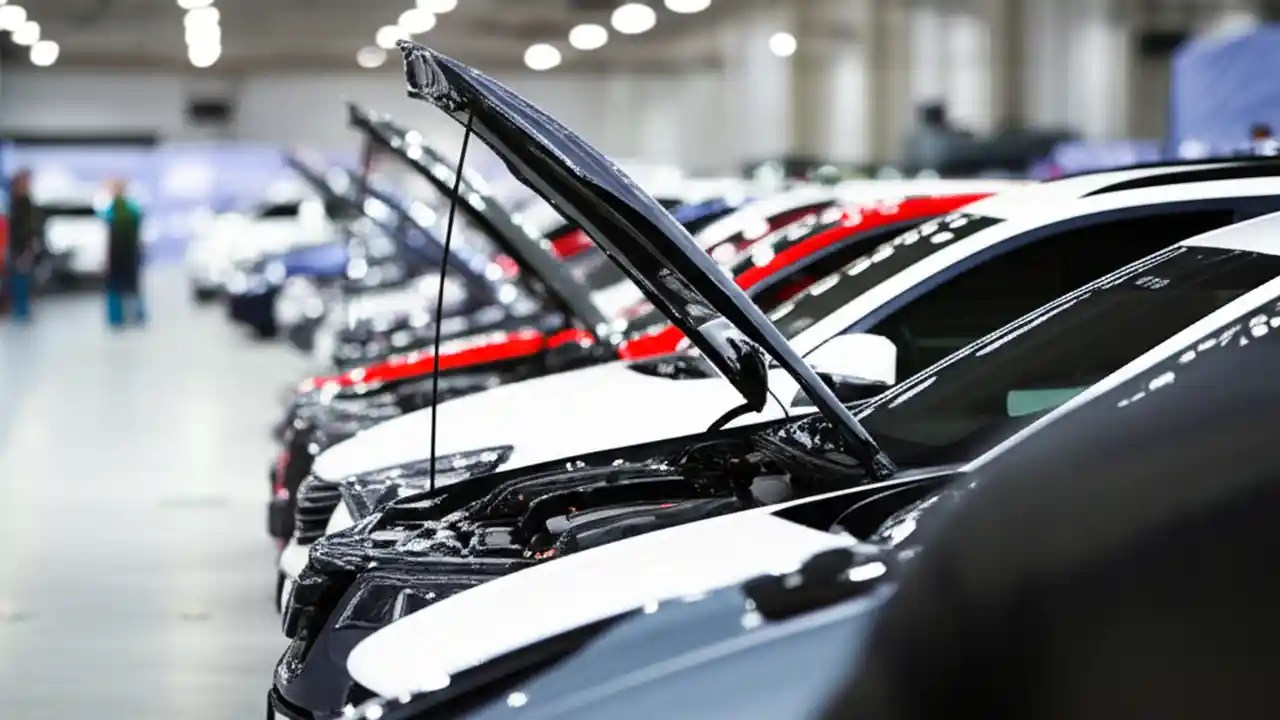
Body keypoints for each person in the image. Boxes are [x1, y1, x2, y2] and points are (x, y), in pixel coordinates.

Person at [103, 179, 145, 328]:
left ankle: (117, 319)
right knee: (132, 288)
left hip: (116, 255)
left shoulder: (110, 210)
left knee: (116, 288)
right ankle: (137, 317)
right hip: (130, 255)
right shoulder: (132, 209)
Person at [5, 169, 41, 322]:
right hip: (15, 244)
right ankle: (19, 308)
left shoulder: (25, 202)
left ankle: (22, 309)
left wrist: (30, 245)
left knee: (22, 276)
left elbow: (29, 227)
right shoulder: (15, 201)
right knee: (16, 277)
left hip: (24, 245)